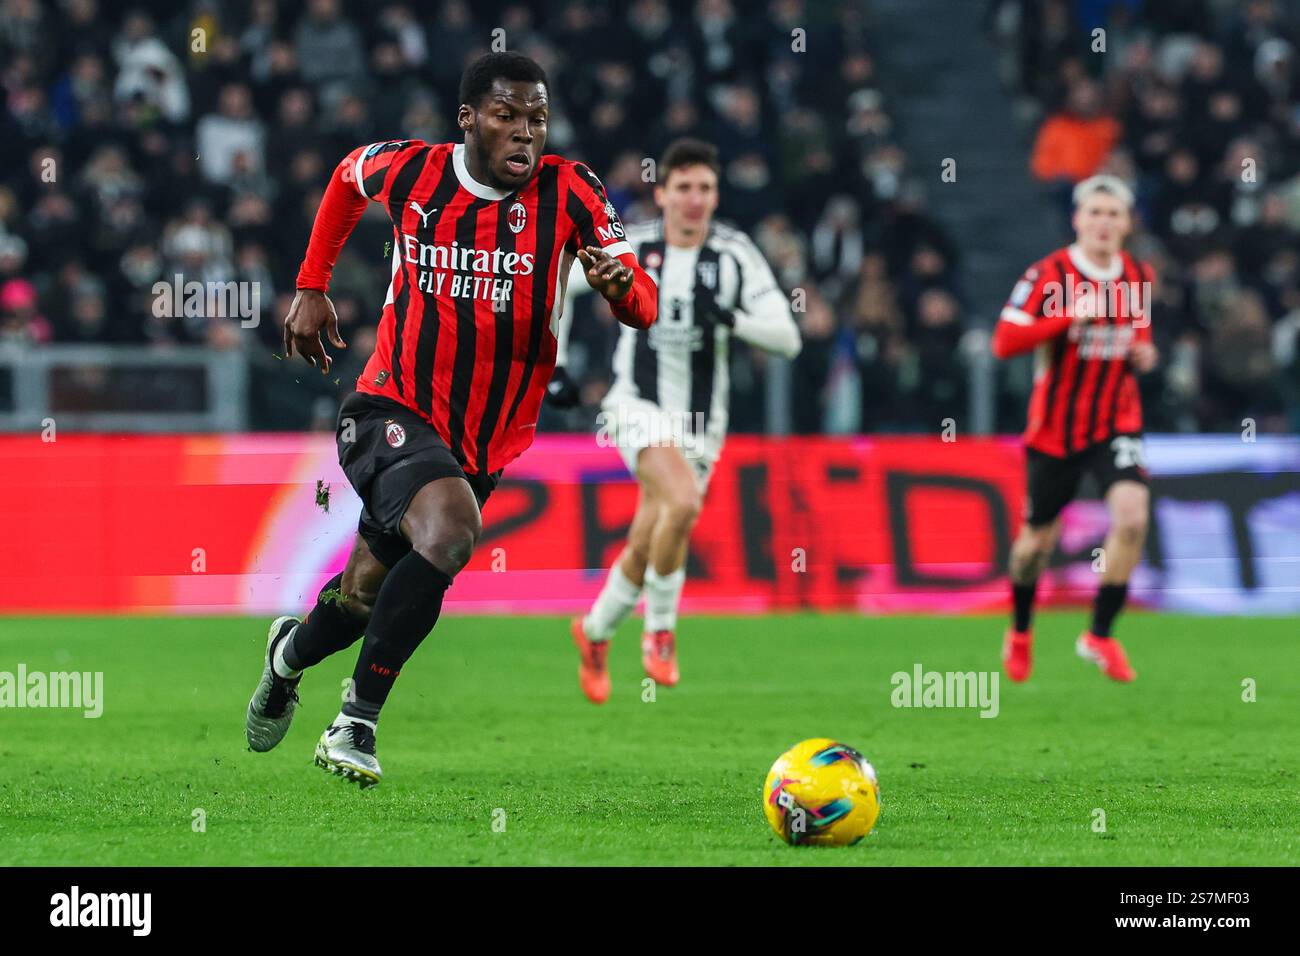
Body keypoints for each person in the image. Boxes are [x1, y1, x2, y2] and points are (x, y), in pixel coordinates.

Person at [245, 52, 657, 786]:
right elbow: (345, 178)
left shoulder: (574, 192)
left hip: (481, 445)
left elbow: (642, 302)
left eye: (536, 118)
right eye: (506, 116)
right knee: (451, 531)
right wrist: (311, 287)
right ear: (468, 119)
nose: (524, 133)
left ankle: (288, 656)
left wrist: (622, 288)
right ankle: (355, 724)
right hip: (387, 407)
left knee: (361, 600)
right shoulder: (414, 171)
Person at [553, 138, 800, 703]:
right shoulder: (631, 244)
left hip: (701, 423)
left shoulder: (735, 253)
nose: (694, 199)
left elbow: (787, 339)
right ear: (661, 193)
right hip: (634, 404)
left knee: (649, 539)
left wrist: (730, 316)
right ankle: (660, 632)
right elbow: (558, 285)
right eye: (683, 187)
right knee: (684, 503)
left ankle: (593, 633)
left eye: (705, 188)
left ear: (716, 195)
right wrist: (557, 365)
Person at [991, 174, 1157, 684]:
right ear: (1077, 219)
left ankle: (1100, 634)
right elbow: (1004, 342)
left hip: (1115, 422)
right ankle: (1020, 629)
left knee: (1131, 518)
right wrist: (1065, 319)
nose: (1104, 223)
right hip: (1055, 431)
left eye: (1114, 214)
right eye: (1095, 213)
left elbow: (1140, 338)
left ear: (1127, 224)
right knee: (1034, 544)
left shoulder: (1138, 276)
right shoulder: (1048, 274)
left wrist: (1146, 353)